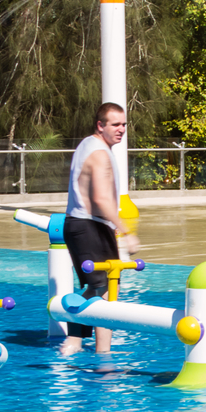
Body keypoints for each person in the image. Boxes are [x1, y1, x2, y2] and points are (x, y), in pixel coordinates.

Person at [60, 103, 129, 357]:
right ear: (100, 125)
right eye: (115, 125)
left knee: (95, 288)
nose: (121, 130)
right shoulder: (100, 153)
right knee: (108, 290)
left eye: (123, 124)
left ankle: (75, 340)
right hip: (91, 226)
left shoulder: (87, 145)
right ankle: (103, 354)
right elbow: (101, 199)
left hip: (79, 225)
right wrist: (126, 231)